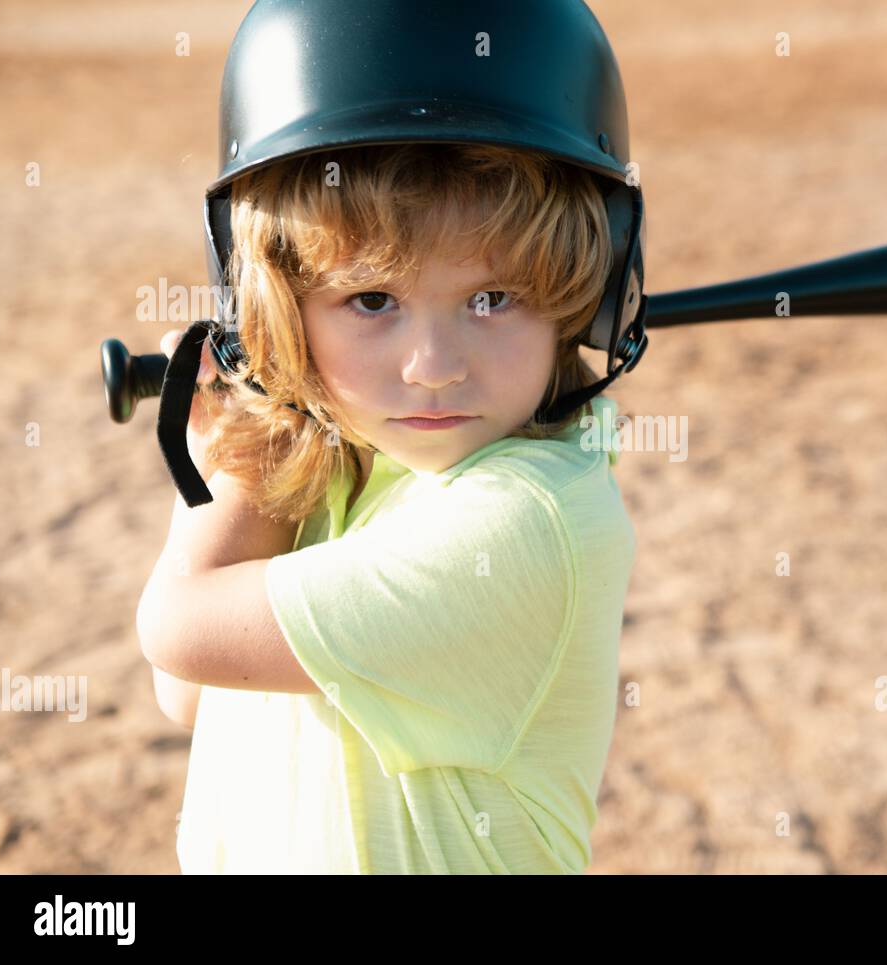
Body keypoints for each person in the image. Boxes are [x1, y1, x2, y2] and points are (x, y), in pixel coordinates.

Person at [135, 1, 643, 874]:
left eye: (493, 298)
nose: (434, 365)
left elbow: (181, 632)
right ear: (279, 310)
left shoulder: (527, 523)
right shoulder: (355, 457)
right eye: (371, 300)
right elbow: (189, 697)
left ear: (583, 301)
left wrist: (252, 425)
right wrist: (277, 409)